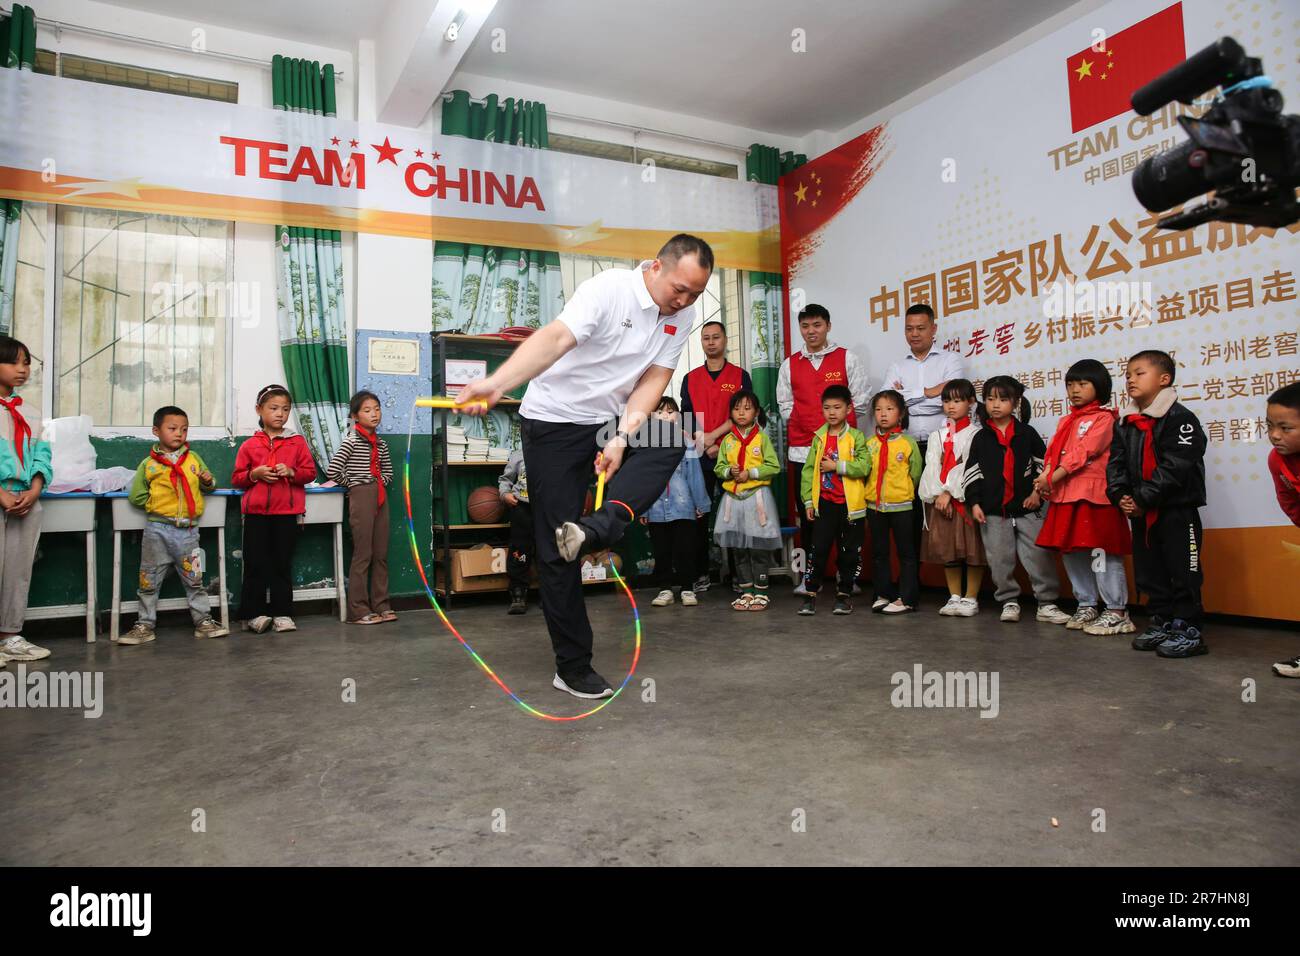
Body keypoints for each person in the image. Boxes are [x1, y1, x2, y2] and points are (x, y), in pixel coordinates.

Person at [455, 234, 711, 700]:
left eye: (695, 294)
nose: (685, 301)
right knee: (557, 551)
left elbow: (655, 378)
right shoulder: (608, 290)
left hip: (606, 422)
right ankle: (572, 666)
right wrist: (496, 383)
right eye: (679, 289)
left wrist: (619, 437)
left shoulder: (682, 315)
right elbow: (554, 338)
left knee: (670, 436)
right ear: (655, 267)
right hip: (552, 424)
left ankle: (598, 527)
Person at [1106, 350, 1208, 658]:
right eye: (1127, 375)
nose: (1130, 380)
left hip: (1176, 510)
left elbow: (1176, 467)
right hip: (1141, 510)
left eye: (1139, 373)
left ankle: (1187, 627)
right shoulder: (1125, 422)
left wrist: (1142, 498)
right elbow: (1116, 464)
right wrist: (1121, 495)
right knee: (1150, 570)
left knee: (1183, 569)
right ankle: (1162, 619)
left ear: (1164, 379)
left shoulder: (1181, 419)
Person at [1034, 359, 1134, 636]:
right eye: (1070, 384)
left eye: (1082, 383)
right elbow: (1053, 455)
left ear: (1099, 386)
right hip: (1065, 496)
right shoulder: (1066, 420)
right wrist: (1043, 482)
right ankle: (1087, 603)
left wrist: (1049, 478)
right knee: (1072, 553)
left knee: (1101, 552)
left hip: (1094, 497)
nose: (1074, 390)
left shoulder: (1104, 419)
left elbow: (1084, 452)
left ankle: (1116, 610)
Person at [776, 304, 870, 593]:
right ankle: (809, 580)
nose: (811, 331)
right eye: (805, 326)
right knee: (808, 518)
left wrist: (837, 437)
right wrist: (805, 424)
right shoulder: (789, 364)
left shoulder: (846, 358)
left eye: (816, 325)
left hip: (842, 455)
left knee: (846, 518)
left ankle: (847, 579)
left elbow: (862, 399)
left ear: (828, 326)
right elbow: (784, 405)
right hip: (803, 452)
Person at [964, 377, 1070, 625]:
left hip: (1028, 508)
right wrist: (975, 503)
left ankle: (1047, 603)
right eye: (990, 399)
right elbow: (972, 472)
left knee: (1039, 555)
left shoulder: (1027, 434)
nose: (996, 405)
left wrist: (1037, 494)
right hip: (993, 511)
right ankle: (1009, 601)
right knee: (999, 558)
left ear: (1015, 402)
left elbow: (1043, 468)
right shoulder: (981, 438)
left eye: (1003, 399)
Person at [119, 405, 229, 644]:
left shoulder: (194, 459)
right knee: (149, 579)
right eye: (172, 428)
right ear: (156, 431)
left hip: (189, 533)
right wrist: (157, 505)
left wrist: (208, 481)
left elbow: (208, 484)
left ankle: (203, 622)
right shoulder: (149, 464)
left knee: (194, 579)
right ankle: (144, 625)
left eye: (184, 429)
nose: (179, 434)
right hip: (157, 531)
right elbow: (136, 495)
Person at [232, 384, 317, 634]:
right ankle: (253, 614)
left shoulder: (297, 443)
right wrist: (254, 474)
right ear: (259, 410)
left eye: (285, 409)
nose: (280, 413)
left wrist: (291, 472)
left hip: (286, 515)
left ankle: (283, 613)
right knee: (255, 564)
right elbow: (237, 478)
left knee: (282, 564)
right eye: (273, 408)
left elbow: (309, 472)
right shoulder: (249, 445)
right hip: (256, 515)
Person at [883, 302, 964, 555]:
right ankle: (912, 580)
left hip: (941, 447)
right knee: (911, 514)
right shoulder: (897, 366)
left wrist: (908, 397)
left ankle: (948, 581)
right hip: (906, 445)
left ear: (933, 329)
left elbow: (953, 394)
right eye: (909, 329)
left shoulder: (950, 359)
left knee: (942, 511)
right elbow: (890, 401)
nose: (914, 334)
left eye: (920, 328)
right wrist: (929, 392)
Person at [680, 320, 752, 592]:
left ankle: (737, 575)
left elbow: (744, 413)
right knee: (699, 517)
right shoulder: (691, 378)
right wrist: (705, 441)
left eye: (715, 337)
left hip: (733, 455)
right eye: (706, 338)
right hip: (699, 456)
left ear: (725, 340)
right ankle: (701, 573)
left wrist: (715, 439)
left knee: (735, 514)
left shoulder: (740, 376)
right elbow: (685, 417)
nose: (711, 342)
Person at [0, 336, 52, 665]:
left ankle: (9, 636)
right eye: (14, 362)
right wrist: (2, 495)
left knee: (18, 571)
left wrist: (34, 490)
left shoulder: (30, 414)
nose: (23, 369)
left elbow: (41, 456)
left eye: (27, 362)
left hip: (25, 499)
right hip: (2, 495)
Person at [798, 384, 869, 616]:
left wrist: (836, 466)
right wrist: (809, 502)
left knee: (848, 553)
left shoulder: (856, 437)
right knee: (817, 551)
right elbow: (809, 471)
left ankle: (844, 594)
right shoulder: (819, 437)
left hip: (851, 506)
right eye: (827, 407)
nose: (832, 412)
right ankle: (810, 594)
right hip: (825, 505)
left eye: (837, 407)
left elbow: (865, 466)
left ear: (849, 409)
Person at [326, 390, 395, 626]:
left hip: (380, 497)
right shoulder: (351, 440)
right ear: (356, 416)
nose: (374, 414)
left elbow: (388, 472)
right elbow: (333, 471)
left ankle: (381, 605)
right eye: (367, 410)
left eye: (377, 409)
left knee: (381, 554)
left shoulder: (381, 444)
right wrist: (355, 484)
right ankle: (358, 610)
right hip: (361, 497)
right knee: (363, 554)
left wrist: (379, 483)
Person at [918, 379, 986, 617]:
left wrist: (950, 492)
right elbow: (932, 466)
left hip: (965, 500)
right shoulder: (937, 435)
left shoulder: (977, 434)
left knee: (972, 549)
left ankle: (971, 597)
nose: (951, 406)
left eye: (957, 401)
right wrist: (938, 493)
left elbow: (968, 466)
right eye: (947, 401)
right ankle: (954, 595)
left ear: (971, 402)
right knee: (949, 549)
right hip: (941, 502)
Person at [714, 390, 782, 611]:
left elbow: (773, 466)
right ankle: (746, 592)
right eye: (736, 408)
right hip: (733, 500)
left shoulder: (761, 438)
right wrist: (728, 472)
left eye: (747, 408)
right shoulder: (727, 440)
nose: (741, 413)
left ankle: (761, 592)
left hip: (756, 499)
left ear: (756, 412)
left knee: (758, 547)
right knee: (739, 549)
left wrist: (750, 473)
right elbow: (719, 467)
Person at [643, 397, 711, 608]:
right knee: (661, 550)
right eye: (660, 412)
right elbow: (643, 479)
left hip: (683, 506)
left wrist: (700, 503)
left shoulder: (687, 443)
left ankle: (687, 588)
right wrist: (642, 509)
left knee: (685, 549)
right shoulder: (645, 445)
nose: (665, 415)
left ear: (678, 417)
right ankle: (665, 589)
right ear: (651, 417)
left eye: (671, 411)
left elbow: (695, 475)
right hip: (655, 508)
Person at [863, 389, 923, 614]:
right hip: (875, 506)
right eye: (878, 410)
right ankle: (883, 593)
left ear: (901, 413)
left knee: (906, 553)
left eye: (889, 409)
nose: (883, 414)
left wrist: (903, 492)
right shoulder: (869, 444)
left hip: (902, 506)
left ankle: (907, 598)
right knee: (879, 553)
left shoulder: (908, 443)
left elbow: (916, 473)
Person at [1265, 382, 1300, 677]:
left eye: (1286, 428)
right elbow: (1288, 500)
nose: (1275, 435)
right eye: (1270, 426)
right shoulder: (1277, 459)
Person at [497, 448, 532, 615]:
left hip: (547, 507)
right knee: (520, 549)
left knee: (549, 549)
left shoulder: (554, 450)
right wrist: (505, 494)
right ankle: (518, 593)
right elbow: (506, 479)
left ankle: (551, 594)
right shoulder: (519, 454)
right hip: (522, 507)